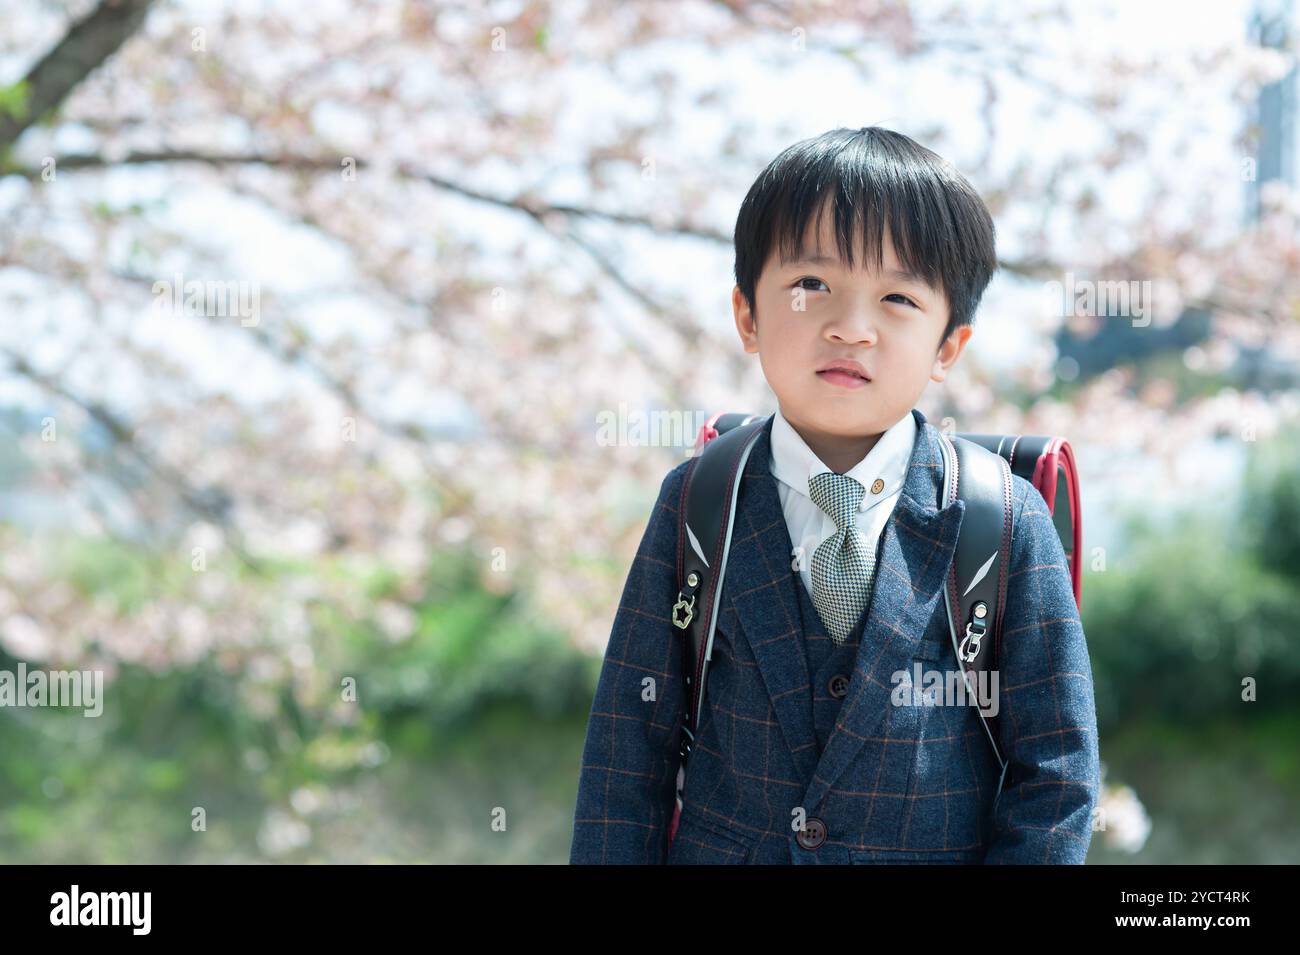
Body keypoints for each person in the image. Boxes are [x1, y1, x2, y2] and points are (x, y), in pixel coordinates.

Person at [569, 126, 1101, 864]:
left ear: (949, 345)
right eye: (811, 285)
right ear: (747, 314)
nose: (851, 328)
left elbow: (1057, 772)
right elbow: (627, 756)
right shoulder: (699, 504)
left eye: (897, 297)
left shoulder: (1002, 520)